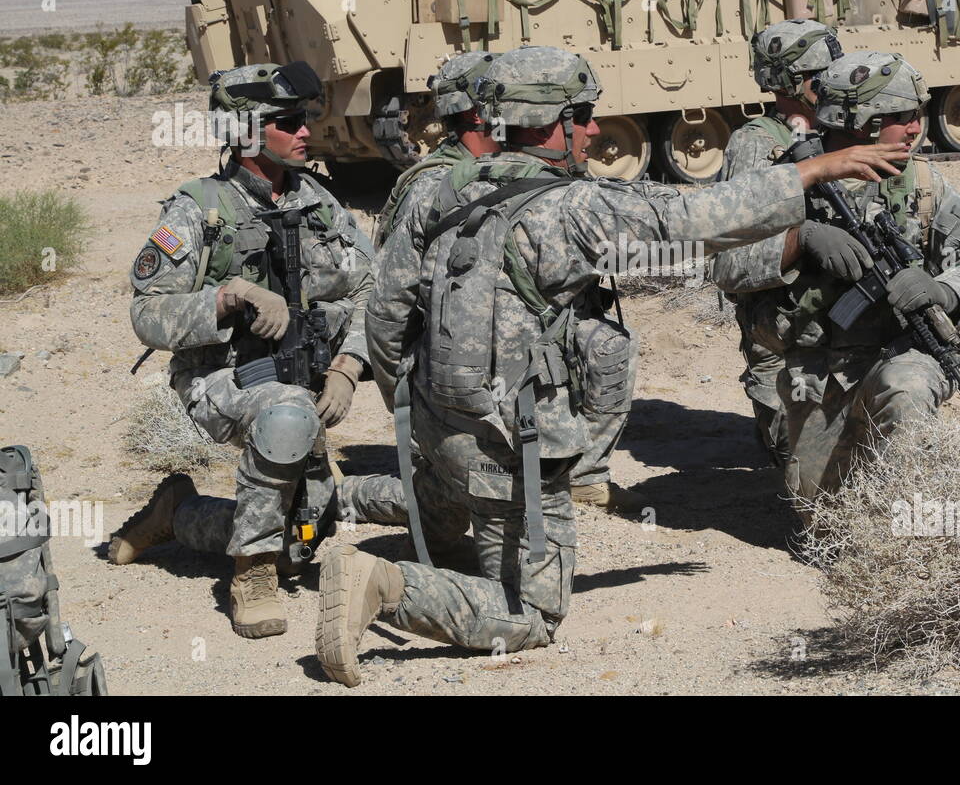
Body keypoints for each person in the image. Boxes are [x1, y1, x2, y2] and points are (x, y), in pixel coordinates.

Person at [316, 45, 906, 685]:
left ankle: (326, 502)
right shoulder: (572, 208)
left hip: (439, 423)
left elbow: (384, 315)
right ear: (549, 123)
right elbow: (696, 217)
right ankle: (382, 586)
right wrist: (813, 171)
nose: (596, 130)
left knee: (455, 508)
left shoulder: (439, 189)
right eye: (585, 115)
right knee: (531, 613)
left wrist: (420, 405)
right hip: (510, 444)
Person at [113, 62, 395, 639]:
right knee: (287, 413)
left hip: (305, 377)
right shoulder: (199, 209)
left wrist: (349, 364)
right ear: (245, 132)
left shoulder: (316, 201)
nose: (304, 132)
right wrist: (225, 297)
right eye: (287, 121)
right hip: (223, 379)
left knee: (304, 540)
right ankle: (253, 577)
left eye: (305, 119)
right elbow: (146, 313)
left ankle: (179, 515)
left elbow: (374, 288)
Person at [714, 50, 960, 526]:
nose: (917, 128)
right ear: (861, 121)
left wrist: (943, 290)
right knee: (823, 524)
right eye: (902, 117)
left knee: (908, 387)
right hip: (815, 368)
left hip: (895, 353)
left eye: (918, 115)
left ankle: (910, 526)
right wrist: (798, 241)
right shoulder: (785, 181)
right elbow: (726, 267)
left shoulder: (924, 182)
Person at [369, 52, 644, 515]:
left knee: (603, 341)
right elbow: (389, 313)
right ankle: (360, 500)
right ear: (481, 113)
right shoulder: (436, 186)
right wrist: (407, 408)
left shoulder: (516, 175)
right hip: (452, 379)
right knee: (451, 514)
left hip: (510, 366)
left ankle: (579, 475)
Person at [713, 19, 843, 472]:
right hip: (781, 321)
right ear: (790, 81)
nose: (831, 82)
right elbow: (731, 260)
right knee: (805, 462)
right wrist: (802, 241)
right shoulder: (757, 146)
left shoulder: (836, 129)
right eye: (819, 75)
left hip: (836, 313)